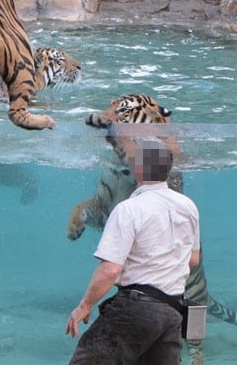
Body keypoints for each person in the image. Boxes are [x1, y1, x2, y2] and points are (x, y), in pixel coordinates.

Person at [64, 141, 201, 365]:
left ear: (137, 168)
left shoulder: (129, 209)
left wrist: (85, 305)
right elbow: (193, 259)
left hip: (135, 310)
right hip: (173, 312)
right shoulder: (188, 207)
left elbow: (110, 269)